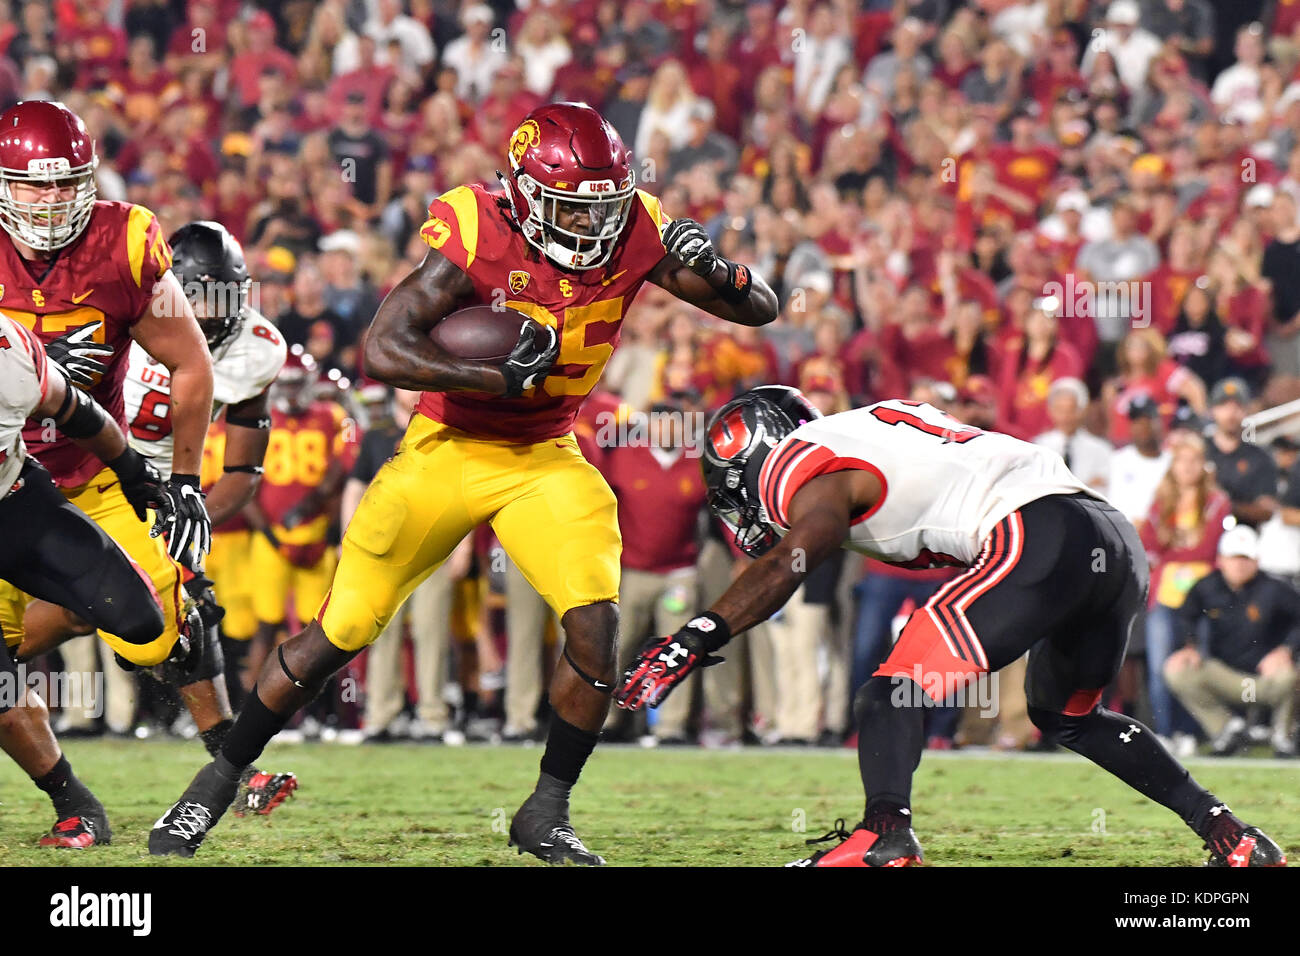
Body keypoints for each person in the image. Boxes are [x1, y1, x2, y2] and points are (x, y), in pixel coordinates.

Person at [149, 102, 779, 863]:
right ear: (525, 193)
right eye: (571, 207)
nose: (591, 225)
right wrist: (490, 376)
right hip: (446, 447)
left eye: (603, 206)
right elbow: (383, 349)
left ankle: (545, 811)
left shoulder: (635, 226)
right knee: (338, 633)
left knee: (595, 627)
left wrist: (719, 266)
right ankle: (214, 785)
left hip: (544, 453)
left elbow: (760, 310)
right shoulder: (478, 225)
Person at [616, 386, 1285, 867]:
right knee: (1070, 716)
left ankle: (884, 836)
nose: (742, 510)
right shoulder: (871, 425)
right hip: (1110, 541)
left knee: (892, 691)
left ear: (758, 455)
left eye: (735, 489)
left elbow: (795, 554)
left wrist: (693, 637)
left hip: (1034, 533)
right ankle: (1232, 836)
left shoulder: (803, 462)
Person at [0, 101, 222, 792]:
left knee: (164, 628)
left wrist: (183, 479)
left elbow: (191, 361)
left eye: (66, 183)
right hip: (6, 481)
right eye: (33, 185)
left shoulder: (124, 242)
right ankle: (72, 801)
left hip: (94, 469)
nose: (50, 201)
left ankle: (229, 758)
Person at [120, 220, 297, 814]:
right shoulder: (126, 311)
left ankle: (232, 769)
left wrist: (187, 518)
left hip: (164, 487)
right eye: (199, 295)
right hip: (85, 465)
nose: (215, 311)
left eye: (226, 293)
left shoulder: (257, 348)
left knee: (190, 608)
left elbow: (244, 471)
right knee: (58, 607)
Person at [0, 312, 168, 846]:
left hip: (15, 501)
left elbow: (76, 410)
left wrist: (132, 469)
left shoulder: (9, 351)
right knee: (3, 703)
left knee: (139, 620)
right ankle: (77, 806)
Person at [1166, 525, 1299, 758]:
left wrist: (1286, 650)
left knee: (1289, 675)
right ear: (1221, 560)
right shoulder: (1206, 586)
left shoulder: (1275, 589)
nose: (1239, 564)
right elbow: (1186, 616)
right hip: (1226, 677)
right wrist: (1188, 646)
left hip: (1267, 678)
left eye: (1245, 558)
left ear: (1256, 561)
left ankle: (1284, 735)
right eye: (1234, 557)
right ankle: (1226, 730)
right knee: (1177, 669)